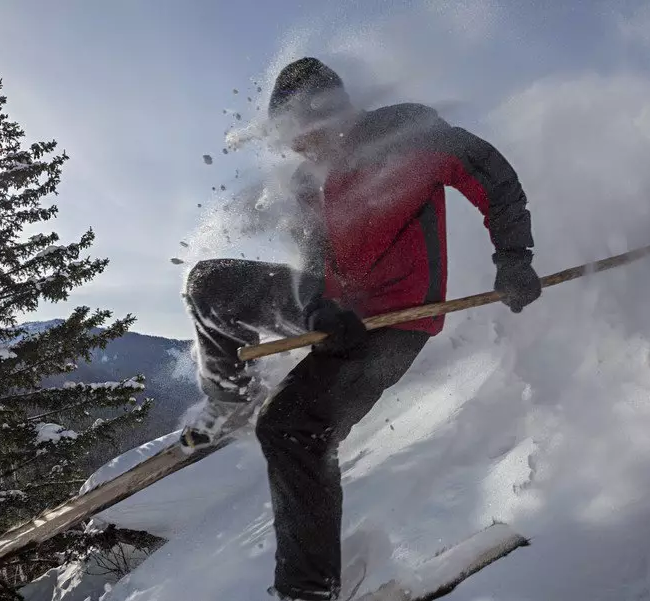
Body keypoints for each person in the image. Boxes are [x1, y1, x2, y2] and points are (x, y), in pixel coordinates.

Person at [179, 57, 542, 601]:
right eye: (288, 137)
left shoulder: (406, 135)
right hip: (335, 313)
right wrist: (316, 308)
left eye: (306, 132)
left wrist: (513, 256)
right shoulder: (306, 184)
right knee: (209, 282)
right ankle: (230, 395)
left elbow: (490, 172)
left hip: (396, 320)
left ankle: (307, 592)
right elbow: (314, 260)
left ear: (337, 114)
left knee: (291, 429)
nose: (299, 148)